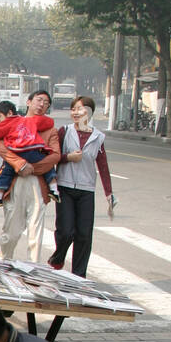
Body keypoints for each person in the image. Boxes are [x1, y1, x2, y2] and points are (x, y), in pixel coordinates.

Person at [48, 95, 115, 278]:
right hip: (65, 187)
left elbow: (103, 166)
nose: (75, 113)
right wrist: (68, 157)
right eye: (73, 109)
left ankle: (79, 276)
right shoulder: (65, 131)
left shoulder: (98, 137)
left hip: (86, 190)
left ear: (90, 112)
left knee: (84, 235)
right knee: (66, 231)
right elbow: (53, 157)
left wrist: (109, 193)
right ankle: (58, 258)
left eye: (80, 109)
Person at [0, 90, 60, 264]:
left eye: (46, 103)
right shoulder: (15, 123)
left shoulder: (50, 130)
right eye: (39, 100)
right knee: (11, 231)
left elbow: (55, 156)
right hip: (16, 181)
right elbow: (1, 147)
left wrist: (33, 168)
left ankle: (33, 268)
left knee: (35, 231)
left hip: (38, 183)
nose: (41, 105)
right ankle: (4, 262)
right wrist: (20, 165)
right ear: (29, 101)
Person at [0, 101, 59, 208]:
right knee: (49, 168)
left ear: (9, 113)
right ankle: (54, 190)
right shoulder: (28, 120)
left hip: (17, 152)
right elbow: (47, 122)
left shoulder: (6, 123)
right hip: (32, 150)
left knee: (5, 172)